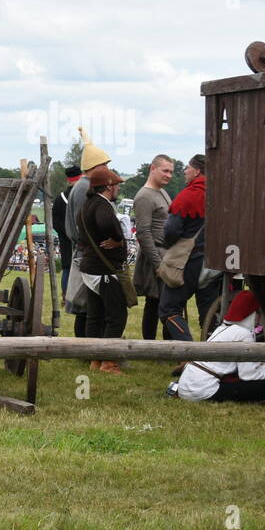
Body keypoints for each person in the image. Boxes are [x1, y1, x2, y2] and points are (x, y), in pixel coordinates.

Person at [174, 291, 265, 402]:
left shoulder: (222, 328)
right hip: (202, 390)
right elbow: (248, 375)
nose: (259, 319)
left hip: (187, 386)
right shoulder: (243, 334)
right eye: (257, 314)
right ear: (252, 315)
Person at [76, 166, 130, 374]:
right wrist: (118, 239)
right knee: (116, 316)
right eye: (116, 185)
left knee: (95, 315)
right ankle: (108, 362)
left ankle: (95, 360)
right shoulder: (102, 205)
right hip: (104, 270)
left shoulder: (88, 204)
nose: (117, 189)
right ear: (108, 186)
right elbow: (107, 222)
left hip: (93, 268)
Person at [159, 154, 217, 342]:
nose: (185, 171)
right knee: (209, 313)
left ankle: (187, 353)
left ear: (197, 171)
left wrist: (168, 244)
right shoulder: (221, 193)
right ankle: (214, 358)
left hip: (190, 261)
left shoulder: (190, 194)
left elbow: (171, 230)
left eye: (188, 168)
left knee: (169, 309)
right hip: (215, 261)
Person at [64, 132, 112, 338]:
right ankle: (86, 345)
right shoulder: (86, 189)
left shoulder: (82, 187)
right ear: (97, 165)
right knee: (87, 305)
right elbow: (89, 226)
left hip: (85, 249)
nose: (108, 169)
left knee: (87, 306)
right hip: (88, 252)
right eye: (105, 165)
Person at [132, 154, 174, 340]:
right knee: (155, 302)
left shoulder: (162, 192)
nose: (169, 175)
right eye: (165, 171)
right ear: (153, 168)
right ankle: (151, 345)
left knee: (166, 302)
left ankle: (168, 344)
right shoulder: (144, 197)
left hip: (167, 253)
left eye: (171, 172)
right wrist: (157, 264)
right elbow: (143, 233)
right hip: (156, 254)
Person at [51, 164, 81, 298]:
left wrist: (66, 231)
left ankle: (65, 295)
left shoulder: (59, 199)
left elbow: (55, 222)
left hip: (65, 239)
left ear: (68, 179)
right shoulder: (84, 195)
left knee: (67, 268)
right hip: (80, 238)